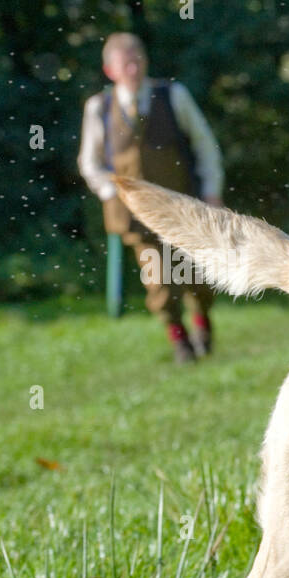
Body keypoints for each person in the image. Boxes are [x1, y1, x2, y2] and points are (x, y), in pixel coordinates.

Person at [78, 32, 224, 364]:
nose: (134, 68)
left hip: (184, 206)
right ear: (110, 70)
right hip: (135, 215)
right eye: (125, 63)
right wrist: (111, 192)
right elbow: (90, 162)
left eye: (138, 59)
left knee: (195, 276)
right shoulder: (99, 108)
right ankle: (180, 341)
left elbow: (204, 143)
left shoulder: (173, 95)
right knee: (159, 280)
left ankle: (203, 324)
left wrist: (212, 188)